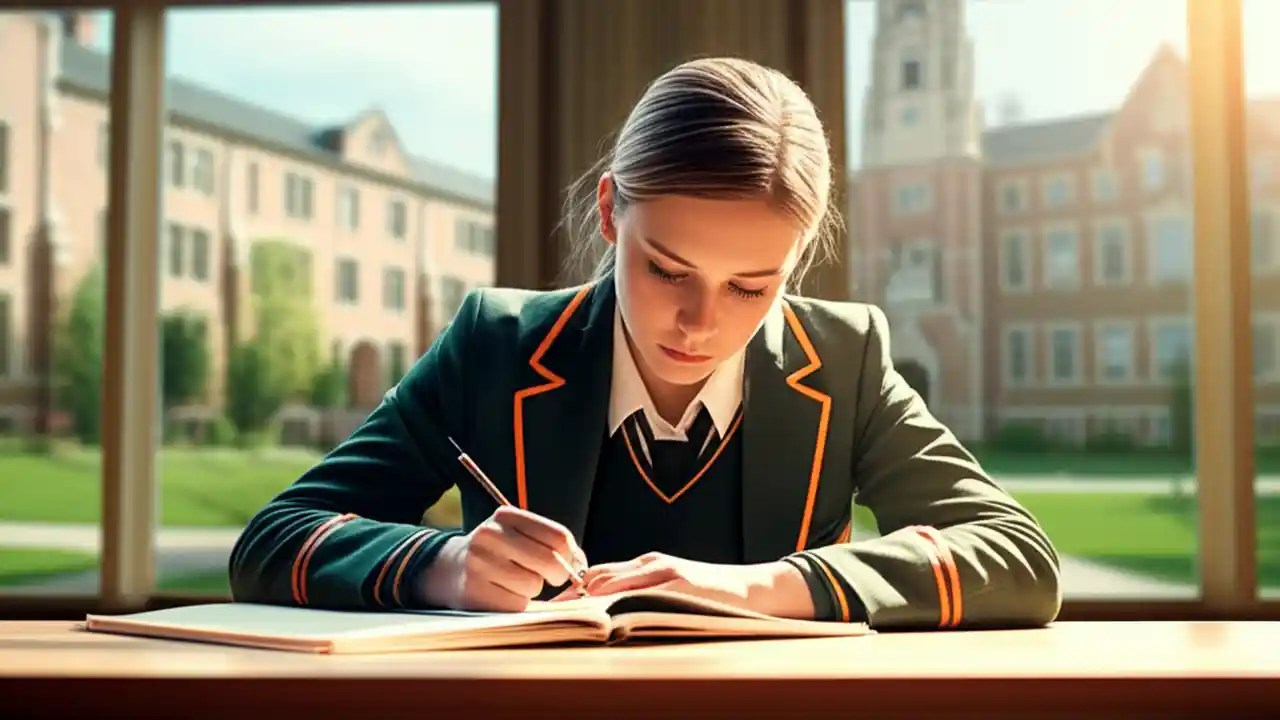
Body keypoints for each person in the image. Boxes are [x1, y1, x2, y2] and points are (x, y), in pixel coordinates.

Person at [228, 56, 1061, 630]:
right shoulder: (495, 344)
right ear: (608, 213)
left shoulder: (846, 360)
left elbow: (1020, 557)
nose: (700, 323)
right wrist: (441, 566)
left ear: (797, 260)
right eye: (666, 270)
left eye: (751, 287)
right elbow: (273, 539)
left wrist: (766, 587)